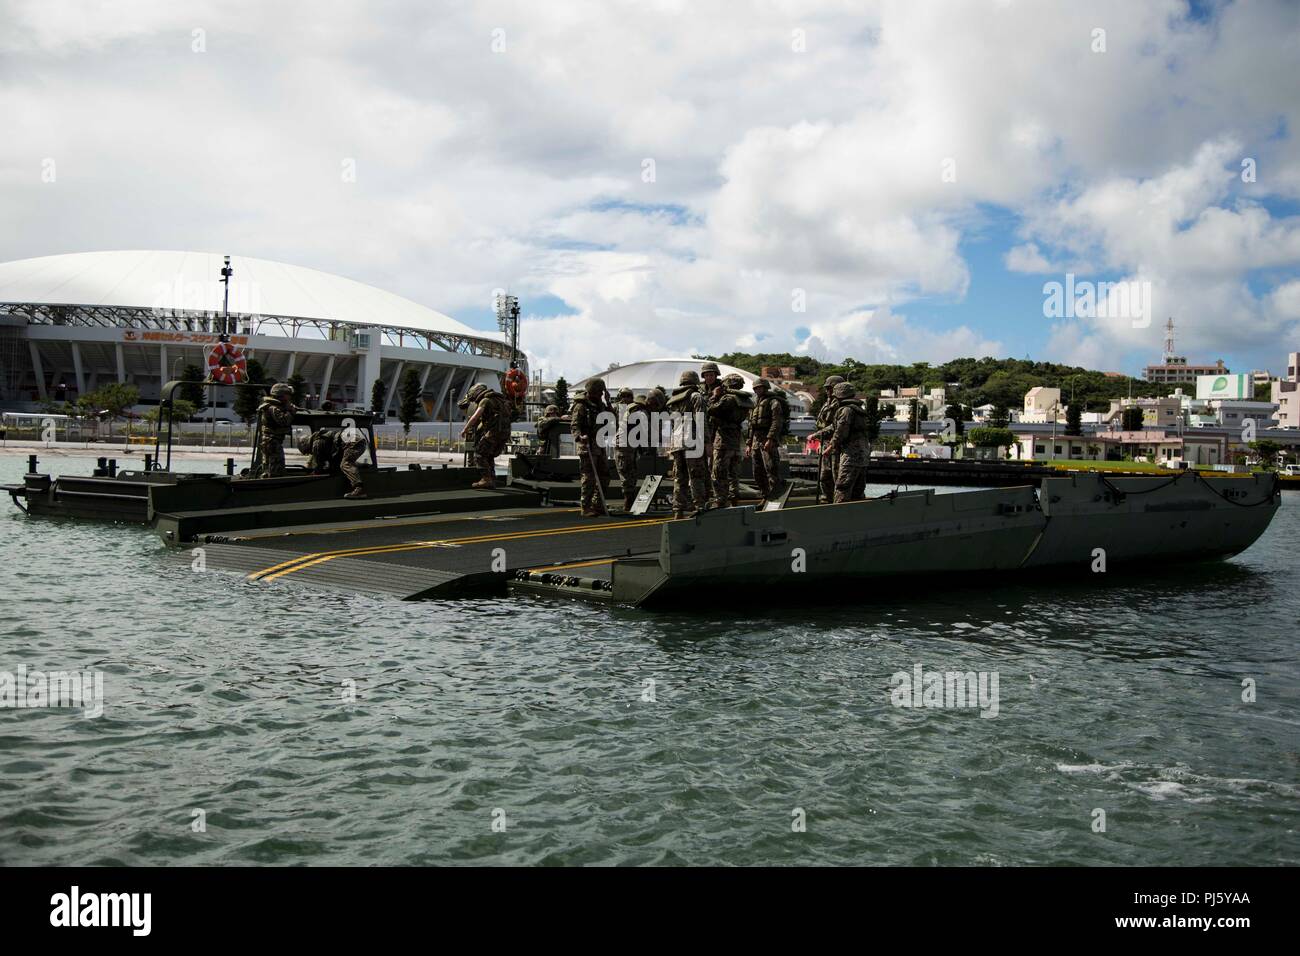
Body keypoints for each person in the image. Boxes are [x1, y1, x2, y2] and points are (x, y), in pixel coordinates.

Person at [665, 369, 710, 518]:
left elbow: (672, 423)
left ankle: (678, 510)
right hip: (693, 441)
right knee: (696, 475)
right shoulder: (696, 396)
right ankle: (699, 506)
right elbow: (701, 420)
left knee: (679, 477)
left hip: (677, 443)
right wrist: (707, 442)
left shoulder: (674, 400)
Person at [570, 378, 612, 516]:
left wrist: (608, 402)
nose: (601, 394)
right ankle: (586, 506)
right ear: (593, 391)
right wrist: (579, 436)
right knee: (589, 477)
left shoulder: (600, 405)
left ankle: (597, 504)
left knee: (605, 475)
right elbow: (575, 425)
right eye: (600, 392)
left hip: (599, 445)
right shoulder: (581, 406)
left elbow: (612, 419)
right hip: (587, 445)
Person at [459, 382, 512, 489]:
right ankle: (492, 479)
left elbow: (475, 417)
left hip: (493, 432)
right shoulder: (500, 400)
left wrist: (465, 429)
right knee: (489, 455)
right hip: (505, 432)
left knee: (479, 453)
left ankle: (486, 479)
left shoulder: (485, 400)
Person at [825, 381, 870, 503]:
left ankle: (838, 517)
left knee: (842, 488)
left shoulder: (845, 410)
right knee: (858, 490)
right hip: (863, 456)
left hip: (850, 456)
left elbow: (841, 433)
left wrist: (830, 447)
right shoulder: (859, 410)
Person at [707, 373, 746, 508]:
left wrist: (714, 396)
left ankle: (720, 501)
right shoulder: (743, 399)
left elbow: (711, 410)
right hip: (736, 440)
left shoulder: (728, 399)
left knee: (718, 472)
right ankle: (734, 498)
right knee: (733, 474)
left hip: (723, 440)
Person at [297, 426, 369, 498]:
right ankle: (361, 466)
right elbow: (333, 460)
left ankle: (359, 489)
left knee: (345, 464)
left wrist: (313, 473)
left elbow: (320, 465)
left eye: (307, 451)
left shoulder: (316, 444)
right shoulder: (321, 439)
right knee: (345, 461)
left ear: (305, 444)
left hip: (352, 442)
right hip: (354, 441)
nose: (310, 453)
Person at [746, 377, 785, 504]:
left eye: (760, 387)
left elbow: (776, 422)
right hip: (756, 440)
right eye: (756, 388)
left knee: (771, 469)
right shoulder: (755, 404)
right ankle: (765, 496)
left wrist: (771, 439)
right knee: (757, 471)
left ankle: (776, 497)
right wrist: (749, 443)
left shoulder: (773, 402)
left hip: (767, 439)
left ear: (765, 388)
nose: (758, 390)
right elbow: (751, 425)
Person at [811, 374, 845, 502]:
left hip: (835, 443)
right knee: (824, 475)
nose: (827, 391)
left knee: (836, 474)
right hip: (825, 441)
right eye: (827, 388)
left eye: (830, 388)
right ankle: (826, 499)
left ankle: (837, 500)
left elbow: (836, 425)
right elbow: (822, 423)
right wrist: (820, 441)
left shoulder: (840, 404)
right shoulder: (827, 403)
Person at [255, 383, 297, 477]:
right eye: (287, 394)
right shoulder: (273, 408)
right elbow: (284, 421)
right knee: (276, 470)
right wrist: (291, 411)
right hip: (272, 442)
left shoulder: (272, 407)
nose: (289, 397)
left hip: (270, 441)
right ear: (281, 395)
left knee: (269, 467)